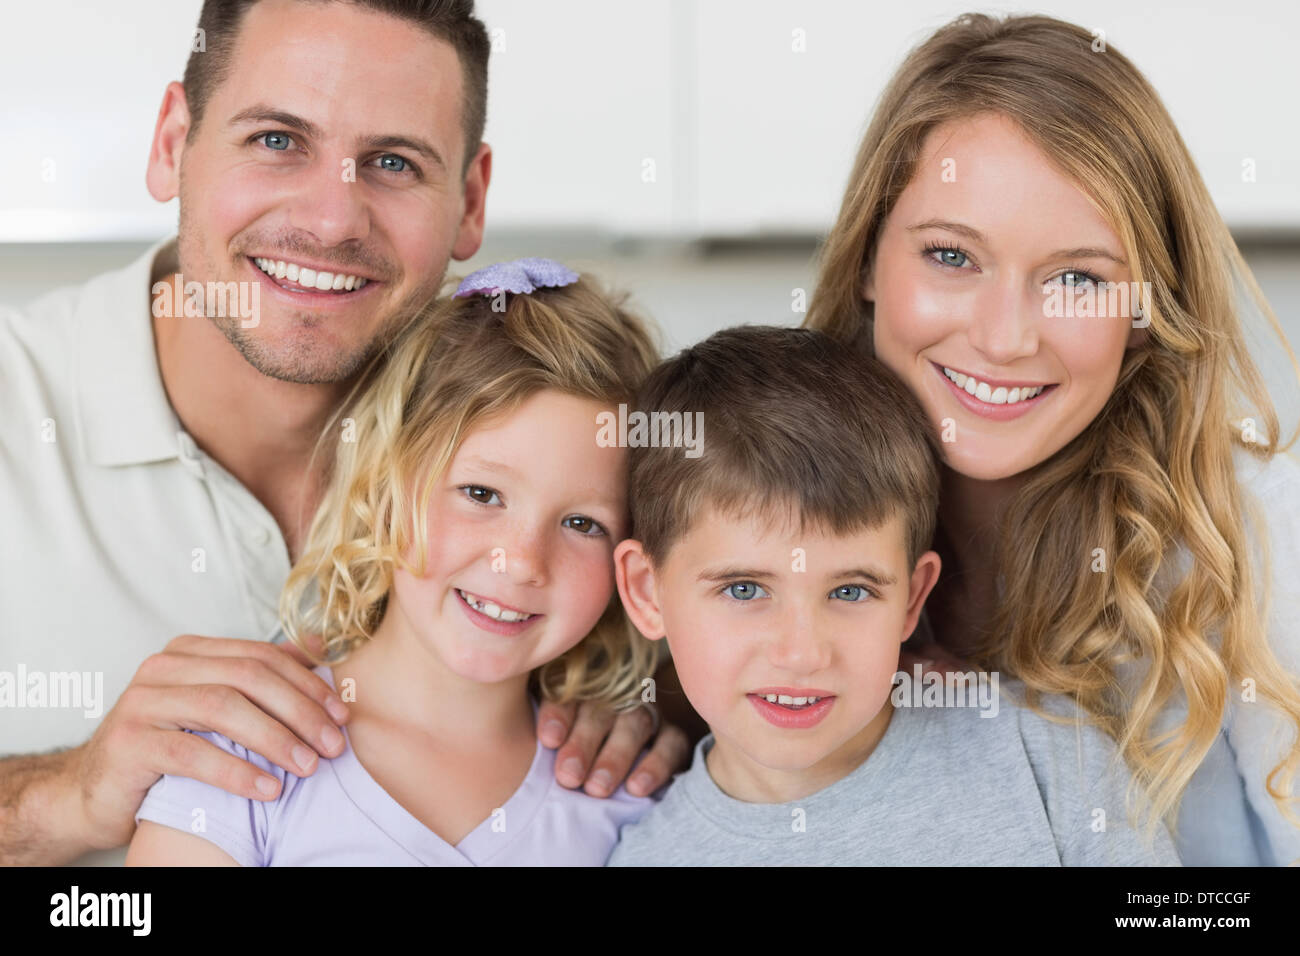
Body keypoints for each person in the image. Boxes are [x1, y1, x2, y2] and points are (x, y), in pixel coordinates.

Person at [0, 0, 683, 867]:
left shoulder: (503, 407)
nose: (331, 222)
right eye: (278, 140)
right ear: (173, 140)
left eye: (394, 162)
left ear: (470, 201)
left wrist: (645, 696)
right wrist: (64, 796)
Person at [803, 12, 1300, 865]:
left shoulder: (1257, 533)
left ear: (1145, 311)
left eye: (1076, 278)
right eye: (952, 257)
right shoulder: (765, 502)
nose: (1004, 338)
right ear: (865, 262)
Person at [125, 262, 660, 865]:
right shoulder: (241, 757)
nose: (522, 562)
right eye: (481, 494)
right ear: (384, 487)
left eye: (583, 524)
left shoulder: (627, 802)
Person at [607, 325, 1180, 866]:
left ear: (912, 598)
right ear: (646, 591)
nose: (803, 653)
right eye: (745, 589)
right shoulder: (643, 855)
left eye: (851, 591)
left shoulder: (1047, 754)